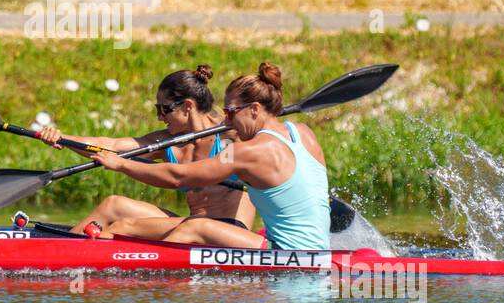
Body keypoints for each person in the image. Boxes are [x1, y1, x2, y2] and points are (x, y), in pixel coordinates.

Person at [89, 62, 331, 250]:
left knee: (195, 227)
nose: (226, 120)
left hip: (285, 254)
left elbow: (179, 177)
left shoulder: (247, 152)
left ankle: (150, 284)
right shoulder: (303, 134)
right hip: (317, 250)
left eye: (230, 112)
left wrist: (120, 164)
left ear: (255, 109)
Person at [36, 65, 255, 239]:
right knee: (114, 205)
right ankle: (61, 251)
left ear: (188, 106)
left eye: (164, 109)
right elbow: (110, 146)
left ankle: (71, 257)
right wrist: (62, 139)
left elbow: (273, 142)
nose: (160, 117)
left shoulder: (231, 136)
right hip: (191, 225)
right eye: (157, 109)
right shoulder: (166, 141)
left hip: (229, 231)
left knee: (123, 227)